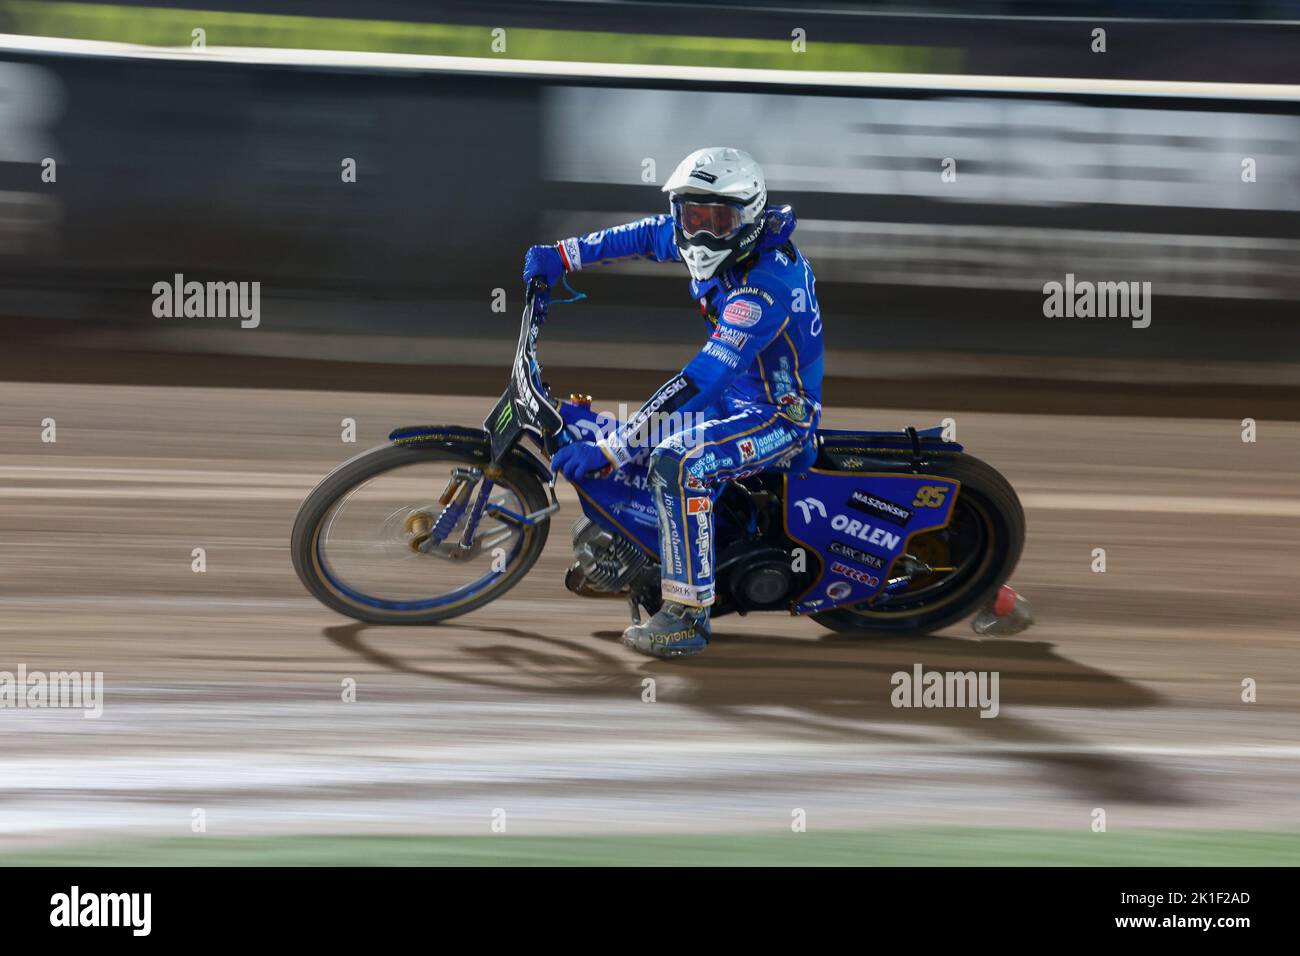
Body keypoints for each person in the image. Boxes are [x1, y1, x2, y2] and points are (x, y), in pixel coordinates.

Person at [522, 147, 823, 658]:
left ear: (747, 218)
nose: (701, 232)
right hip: (733, 400)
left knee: (675, 459)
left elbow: (702, 377)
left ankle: (687, 616)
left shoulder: (765, 286)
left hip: (777, 417)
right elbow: (642, 236)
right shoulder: (712, 240)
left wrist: (616, 447)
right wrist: (562, 255)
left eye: (717, 219)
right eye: (691, 215)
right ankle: (638, 554)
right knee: (596, 425)